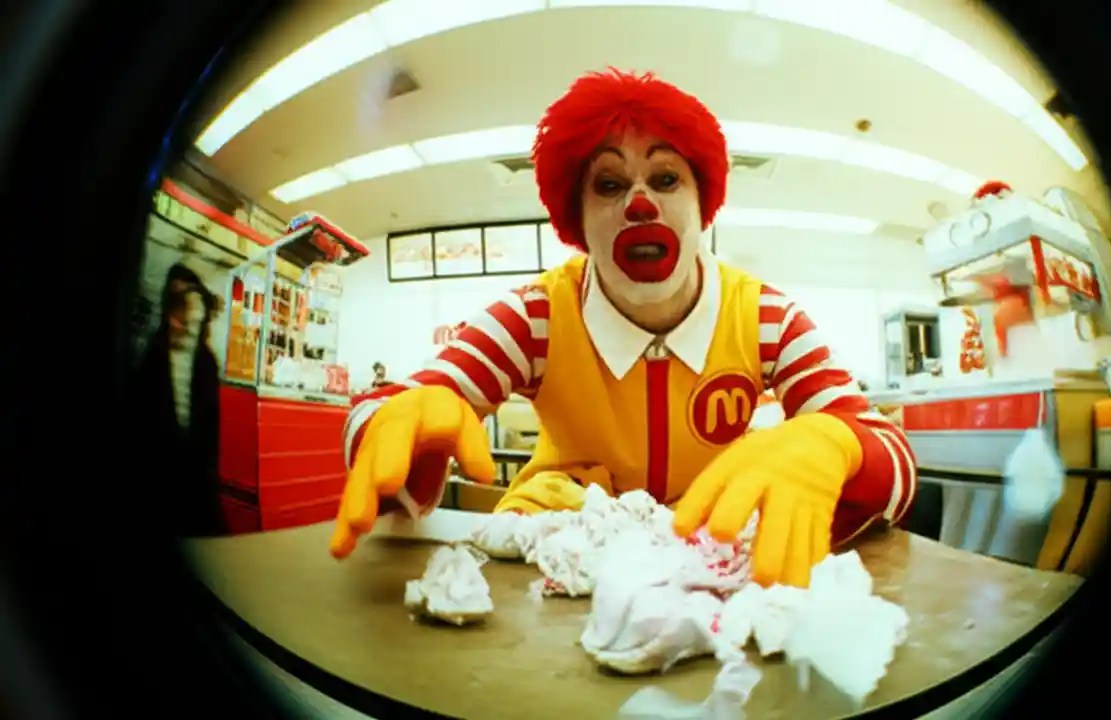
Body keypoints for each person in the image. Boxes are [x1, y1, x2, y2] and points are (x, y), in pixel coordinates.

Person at [332, 68, 919, 588]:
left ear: (702, 204)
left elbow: (892, 455)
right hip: (550, 547)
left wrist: (839, 444)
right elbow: (395, 408)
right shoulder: (537, 313)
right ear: (577, 219)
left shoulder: (766, 317)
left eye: (666, 179)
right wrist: (385, 424)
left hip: (705, 554)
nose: (640, 204)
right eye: (609, 185)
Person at [133, 263, 223, 537]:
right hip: (155, 490)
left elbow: (210, 437)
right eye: (176, 305)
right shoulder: (150, 358)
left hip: (197, 490)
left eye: (190, 306)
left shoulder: (206, 364)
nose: (183, 318)